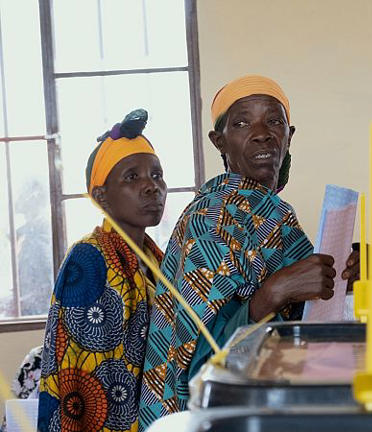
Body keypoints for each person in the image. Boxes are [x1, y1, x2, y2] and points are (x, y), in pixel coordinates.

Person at [139, 75, 357, 427]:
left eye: (274, 121)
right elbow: (199, 366)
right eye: (241, 123)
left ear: (289, 136)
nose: (261, 132)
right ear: (219, 141)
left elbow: (299, 324)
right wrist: (274, 292)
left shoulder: (275, 215)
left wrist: (342, 278)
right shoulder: (209, 221)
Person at [38, 109, 168, 431]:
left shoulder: (154, 257)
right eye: (132, 177)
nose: (151, 187)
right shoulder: (91, 257)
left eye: (156, 174)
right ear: (101, 197)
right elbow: (89, 372)